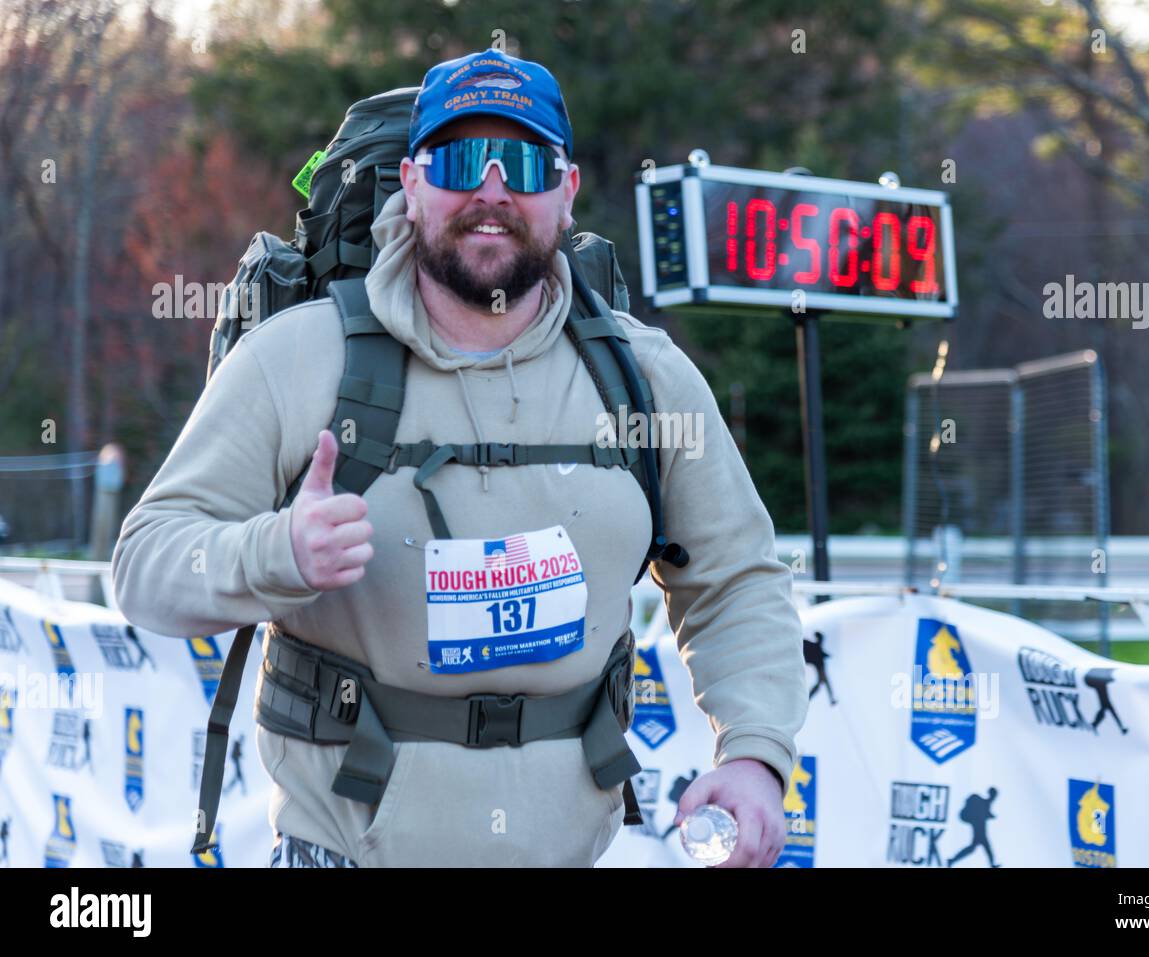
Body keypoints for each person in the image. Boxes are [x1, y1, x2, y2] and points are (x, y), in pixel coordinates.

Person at [111, 47, 808, 868]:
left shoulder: (644, 379)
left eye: (521, 162)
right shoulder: (297, 359)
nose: (491, 190)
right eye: (457, 160)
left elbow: (735, 576)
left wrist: (757, 756)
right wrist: (277, 552)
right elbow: (146, 564)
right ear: (411, 182)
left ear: (566, 190)